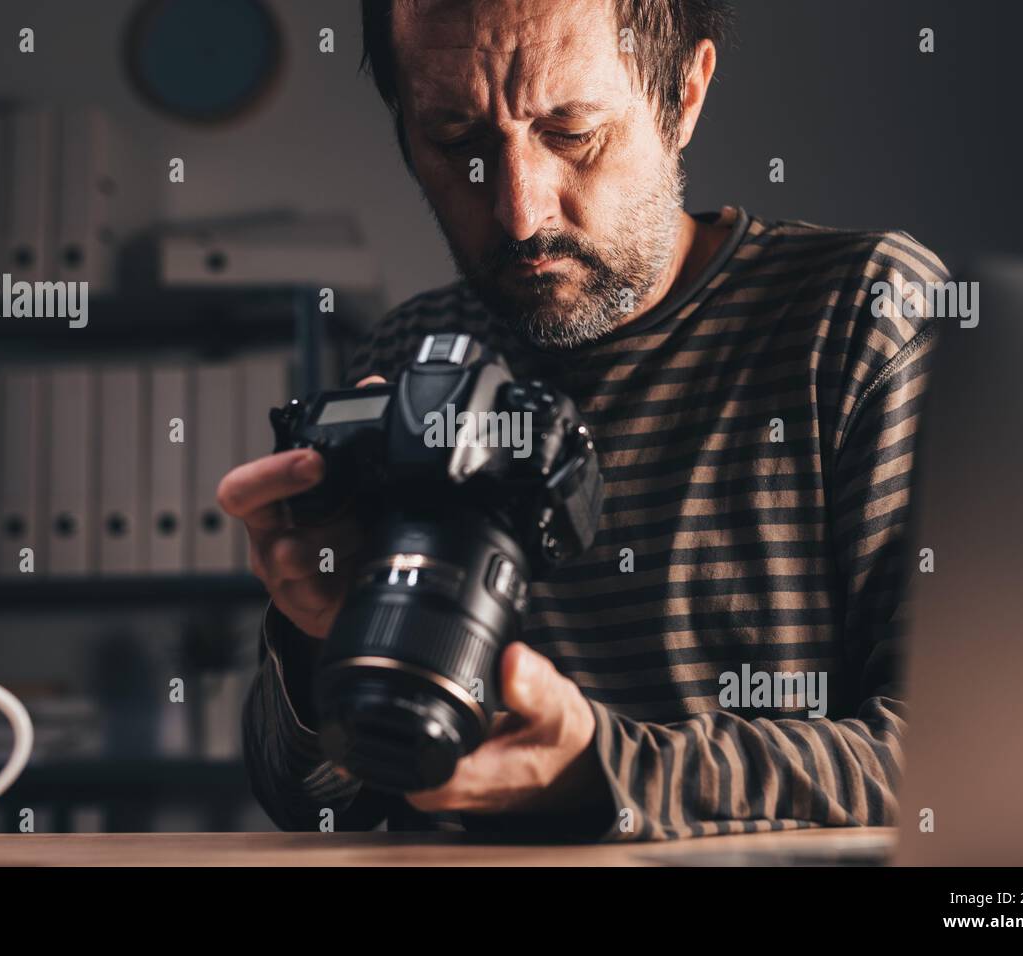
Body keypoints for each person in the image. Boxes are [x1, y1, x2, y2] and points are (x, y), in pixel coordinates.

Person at [218, 0, 948, 841]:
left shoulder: (865, 318)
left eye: (572, 132)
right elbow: (309, 804)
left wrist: (609, 775)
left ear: (684, 96)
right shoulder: (417, 351)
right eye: (459, 145)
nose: (520, 213)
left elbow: (958, 759)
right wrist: (316, 644)